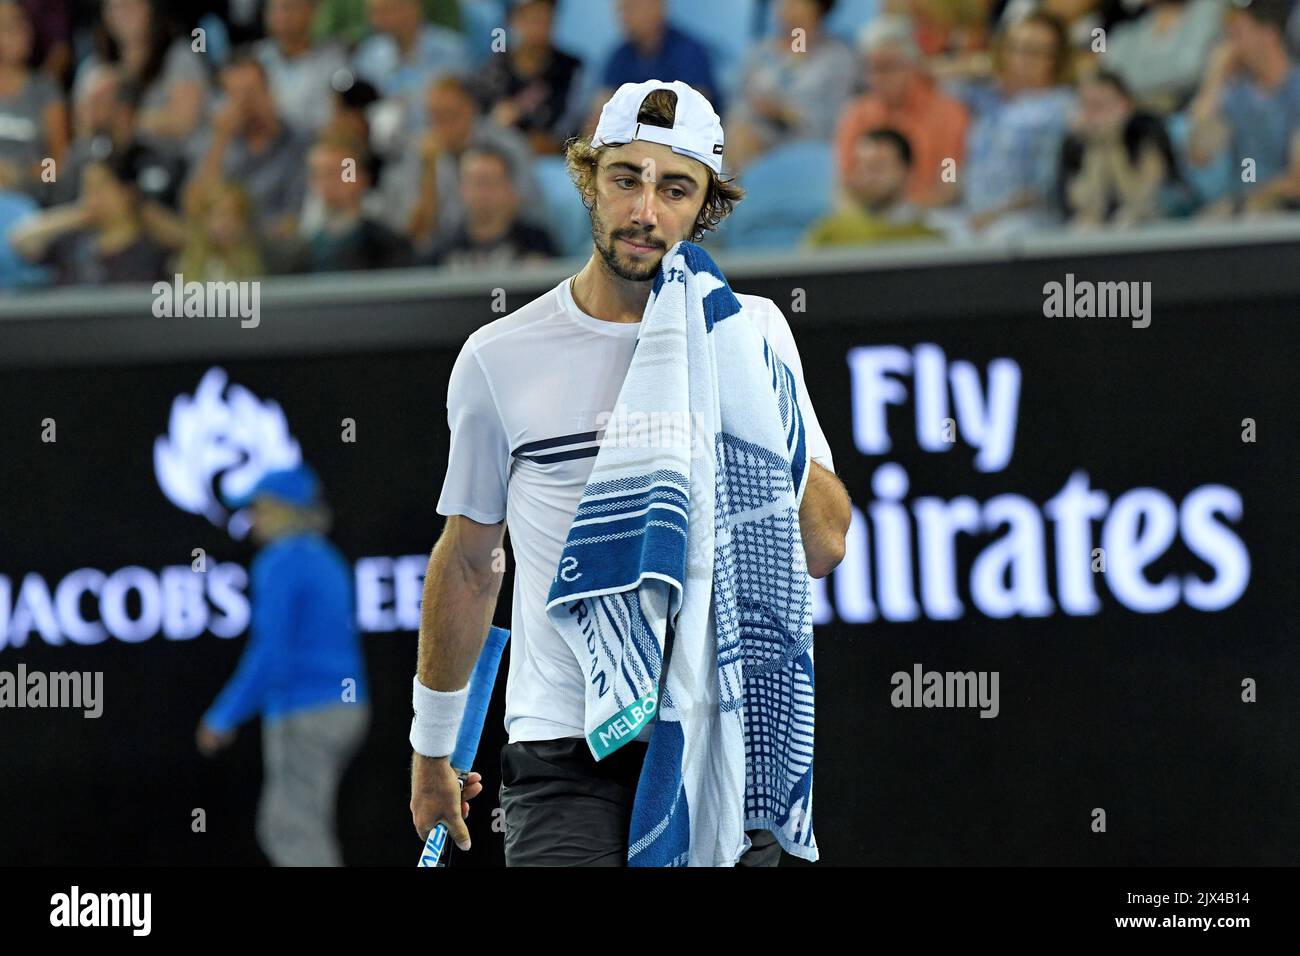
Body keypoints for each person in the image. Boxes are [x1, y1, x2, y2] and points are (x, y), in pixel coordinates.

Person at [409, 79, 852, 867]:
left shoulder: (753, 334)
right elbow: (472, 563)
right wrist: (431, 748)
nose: (645, 210)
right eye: (625, 178)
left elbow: (821, 546)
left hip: (723, 750)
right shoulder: (497, 358)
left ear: (705, 209)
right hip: (562, 752)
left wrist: (741, 375)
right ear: (590, 180)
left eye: (675, 188)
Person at [197, 464, 371, 867]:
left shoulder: (278, 562)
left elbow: (271, 655)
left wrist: (223, 717)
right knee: (298, 824)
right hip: (347, 710)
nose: (251, 518)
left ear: (283, 510)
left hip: (304, 712)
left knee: (292, 828)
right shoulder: (328, 559)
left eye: (259, 508)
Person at [954, 11, 1076, 237]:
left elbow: (1043, 187)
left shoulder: (1061, 109)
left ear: (1056, 59)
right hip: (972, 215)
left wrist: (991, 216)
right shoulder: (989, 104)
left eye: (1034, 51)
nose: (1021, 59)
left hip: (1028, 220)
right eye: (1015, 48)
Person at [835, 15, 970, 207]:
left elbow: (949, 182)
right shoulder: (857, 115)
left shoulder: (948, 115)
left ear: (912, 66)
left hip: (929, 216)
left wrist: (909, 215)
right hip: (869, 218)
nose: (877, 78)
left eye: (887, 67)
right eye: (871, 69)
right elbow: (846, 181)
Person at [1187, 0, 1300, 215]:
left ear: (1268, 34)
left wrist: (1242, 202)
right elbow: (1199, 154)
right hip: (1245, 210)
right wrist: (1214, 79)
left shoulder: (1296, 90)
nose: (1230, 45)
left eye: (1237, 33)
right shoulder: (1236, 96)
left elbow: (1297, 182)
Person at [184, 54, 311, 239]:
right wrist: (221, 141)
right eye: (235, 95)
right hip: (224, 245)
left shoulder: (299, 142)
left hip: (277, 245)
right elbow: (194, 208)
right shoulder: (215, 141)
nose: (244, 104)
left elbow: (296, 218)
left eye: (251, 93)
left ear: (269, 92)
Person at [9, 142, 169, 286]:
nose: (92, 196)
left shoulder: (150, 252)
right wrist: (77, 215)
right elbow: (21, 241)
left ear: (126, 192)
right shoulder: (73, 242)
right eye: (87, 187)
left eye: (101, 186)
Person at [724, 0, 857, 172]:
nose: (787, 8)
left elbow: (838, 120)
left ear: (819, 8)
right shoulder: (760, 52)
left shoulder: (838, 58)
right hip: (755, 137)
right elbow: (737, 103)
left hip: (806, 142)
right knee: (738, 133)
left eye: (798, 3)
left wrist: (787, 114)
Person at [1057, 70, 1185, 226]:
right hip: (1105, 220)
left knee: (1126, 220)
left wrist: (1114, 145)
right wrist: (1096, 148)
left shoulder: (1147, 129)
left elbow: (1143, 200)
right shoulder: (1073, 143)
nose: (1091, 115)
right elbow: (1086, 207)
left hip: (1160, 218)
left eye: (1099, 106)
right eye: (1085, 105)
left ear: (1125, 105)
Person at [470, 0, 585, 155]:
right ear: (514, 20)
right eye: (531, 17)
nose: (539, 25)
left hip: (555, 160)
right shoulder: (494, 67)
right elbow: (478, 121)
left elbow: (572, 126)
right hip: (500, 157)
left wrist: (551, 142)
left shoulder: (571, 68)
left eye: (545, 17)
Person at [423, 141, 558, 269]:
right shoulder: (440, 250)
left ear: (509, 187)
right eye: (475, 182)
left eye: (490, 182)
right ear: (461, 188)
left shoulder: (536, 244)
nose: (482, 192)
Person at [590, 0, 724, 127]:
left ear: (658, 7)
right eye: (621, 10)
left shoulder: (690, 52)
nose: (625, 17)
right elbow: (601, 110)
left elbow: (696, 111)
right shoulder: (619, 55)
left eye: (633, 8)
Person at [805, 127, 942, 245]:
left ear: (906, 173)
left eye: (877, 168)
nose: (867, 177)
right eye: (861, 168)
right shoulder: (829, 232)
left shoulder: (929, 237)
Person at [0, 0, 68, 201]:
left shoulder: (45, 90)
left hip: (28, 206)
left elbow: (58, 167)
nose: (21, 32)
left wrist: (19, 174)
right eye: (8, 26)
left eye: (23, 23)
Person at [254, 0, 350, 136]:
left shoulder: (334, 61)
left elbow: (333, 120)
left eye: (288, 8)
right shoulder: (257, 57)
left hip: (312, 145)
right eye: (273, 9)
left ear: (312, 13)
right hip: (264, 148)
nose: (279, 15)